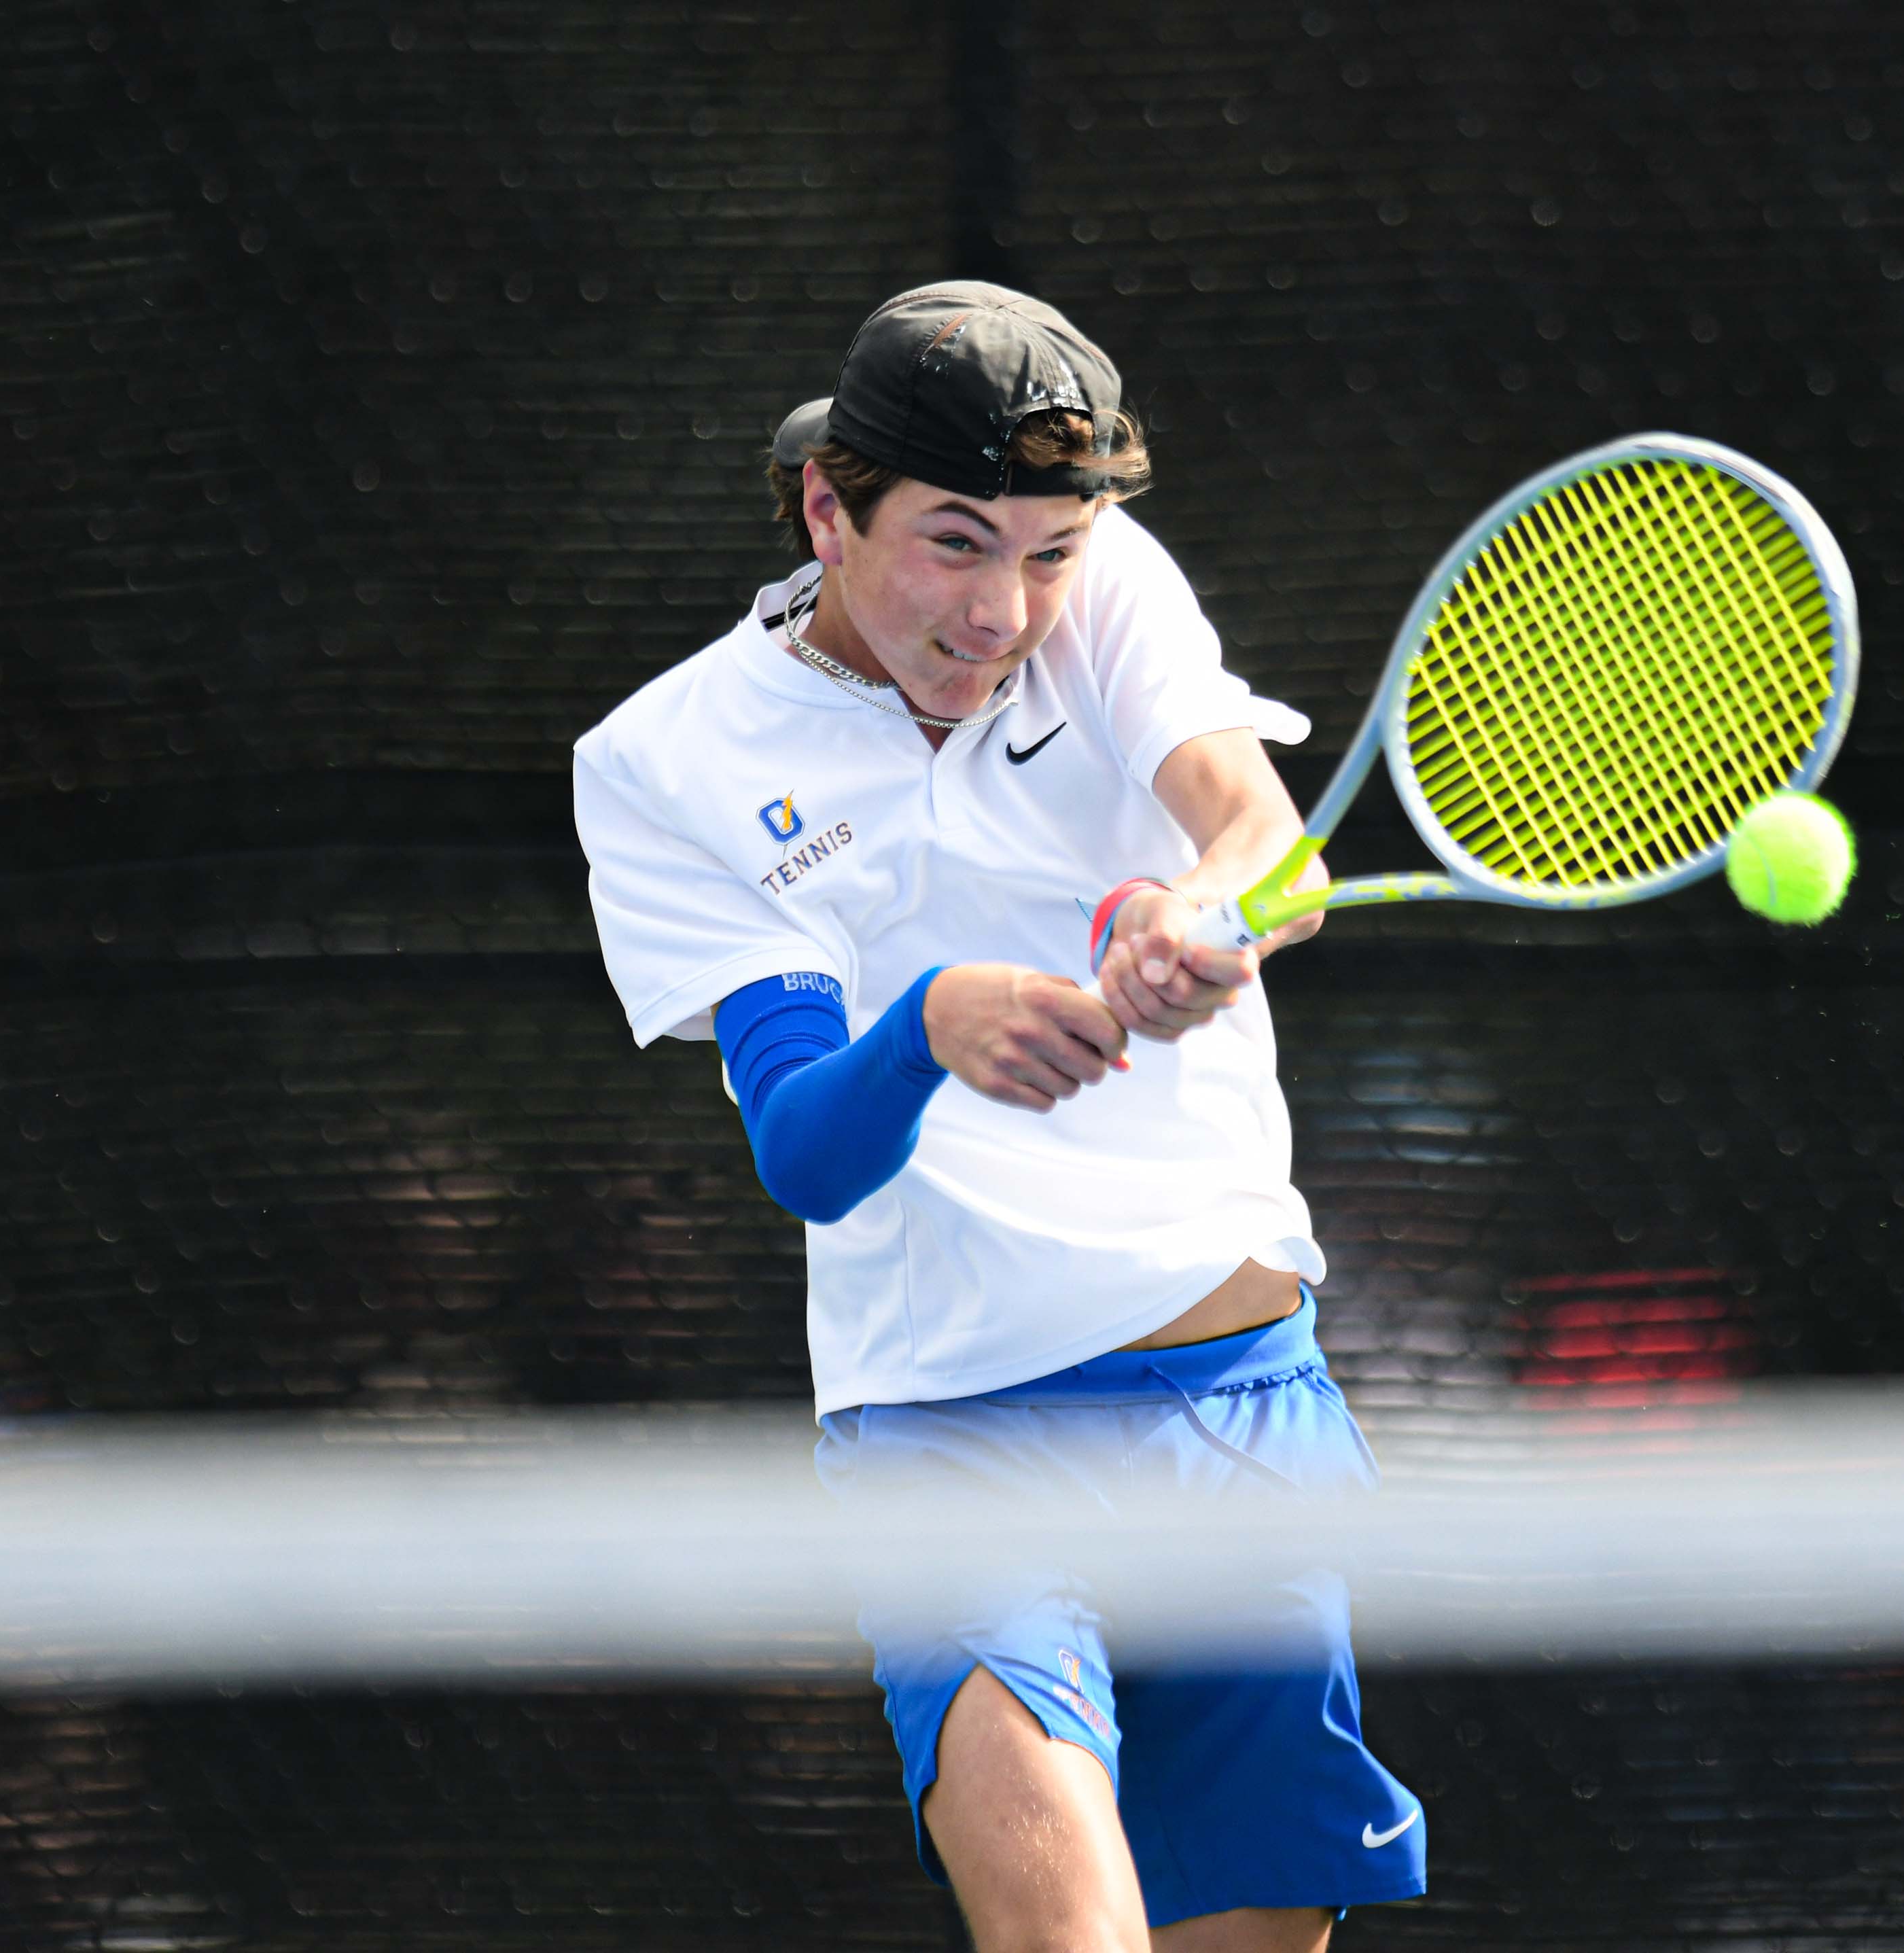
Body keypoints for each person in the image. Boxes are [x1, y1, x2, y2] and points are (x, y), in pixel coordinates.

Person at [572, 282, 1424, 1952]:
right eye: (956, 544)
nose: (1004, 608)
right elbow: (810, 1150)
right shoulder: (668, 759)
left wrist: (1201, 912)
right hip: (951, 1430)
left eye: (1048, 550)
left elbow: (1258, 829)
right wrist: (930, 1029)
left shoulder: (1104, 594)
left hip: (1240, 1394)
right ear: (830, 506)